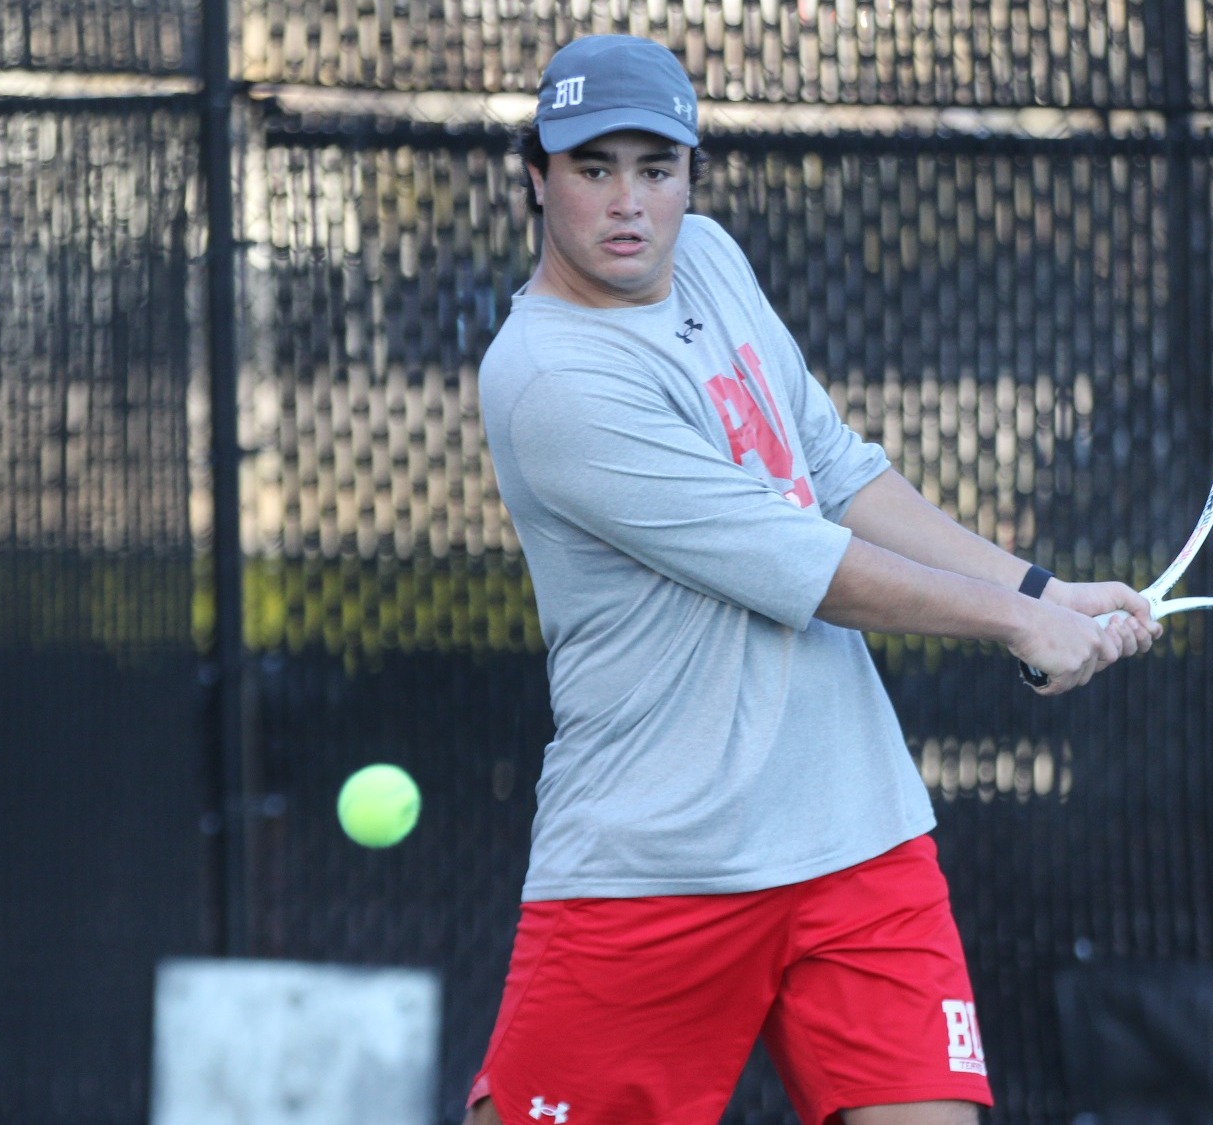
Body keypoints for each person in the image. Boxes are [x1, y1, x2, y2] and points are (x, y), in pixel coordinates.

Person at [463, 33, 1160, 1125]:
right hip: (658, 865)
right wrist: (1013, 623)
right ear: (537, 179)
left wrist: (1038, 589)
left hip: (856, 835)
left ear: (691, 175)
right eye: (593, 168)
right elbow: (797, 562)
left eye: (656, 168)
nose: (628, 201)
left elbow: (832, 470)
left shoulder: (708, 258)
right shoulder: (548, 377)